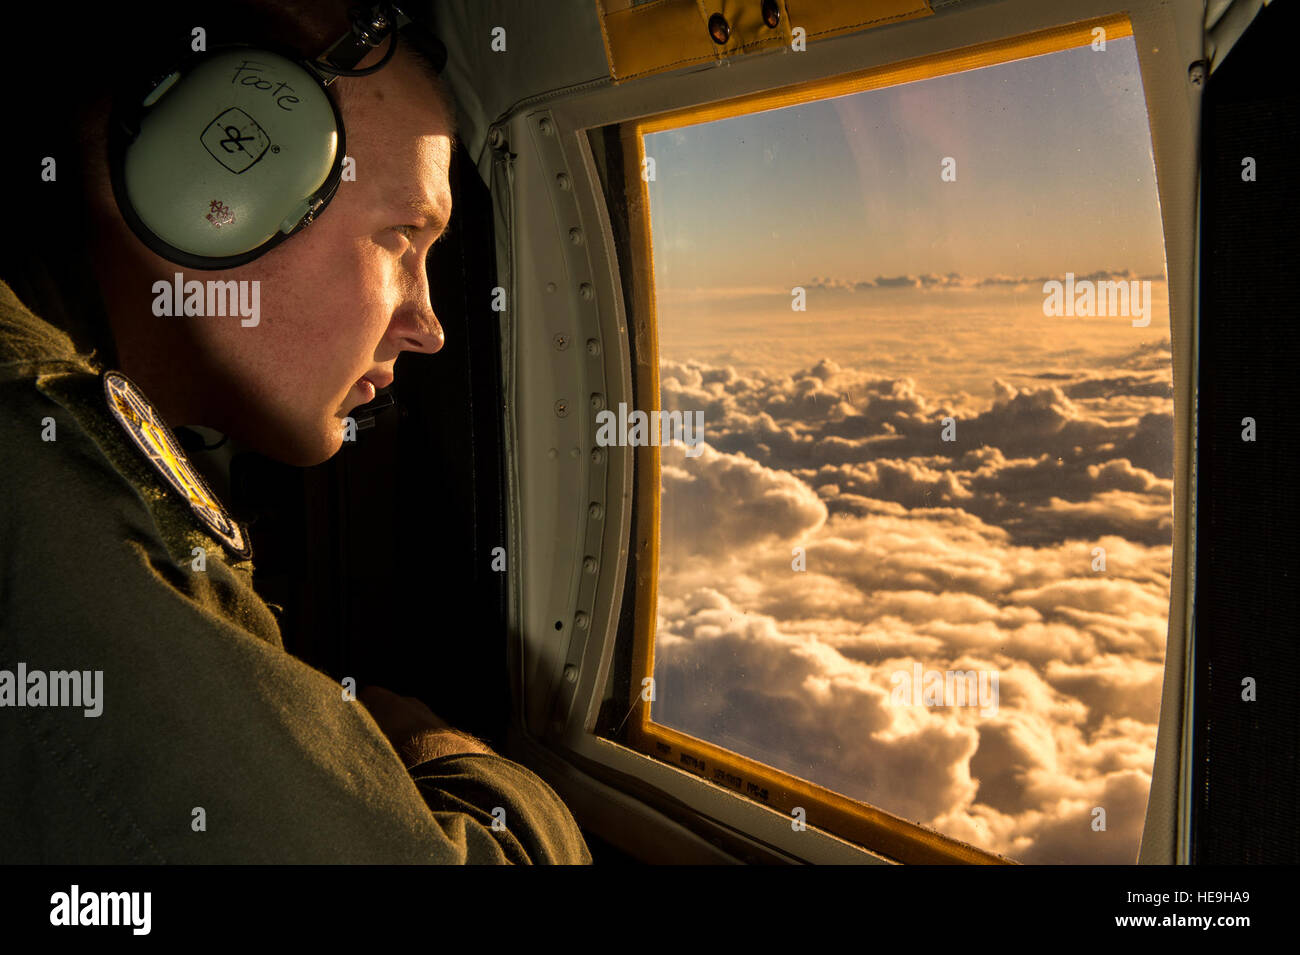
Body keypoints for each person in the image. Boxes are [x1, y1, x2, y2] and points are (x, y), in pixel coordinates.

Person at [0, 1, 592, 863]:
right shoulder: (46, 475)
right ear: (212, 184)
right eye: (401, 237)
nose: (429, 326)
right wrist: (436, 748)